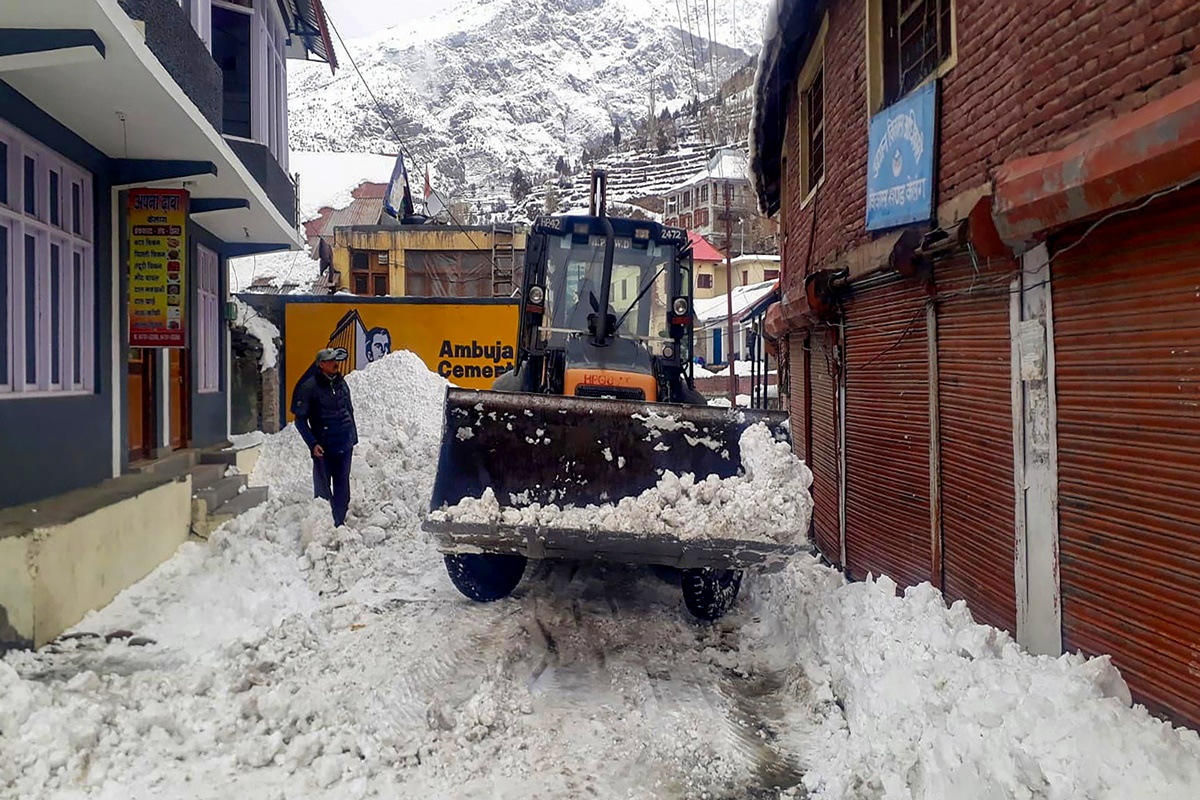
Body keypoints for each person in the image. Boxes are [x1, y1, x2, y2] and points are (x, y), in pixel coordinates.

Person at [292, 347, 357, 527]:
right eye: (330, 361)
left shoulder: (341, 383)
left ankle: (339, 523)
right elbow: (300, 421)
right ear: (321, 365)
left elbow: (349, 411)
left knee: (342, 488)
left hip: (344, 445)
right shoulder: (309, 388)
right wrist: (313, 444)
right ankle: (323, 525)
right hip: (323, 448)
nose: (335, 364)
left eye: (336, 360)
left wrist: (353, 437)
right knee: (322, 490)